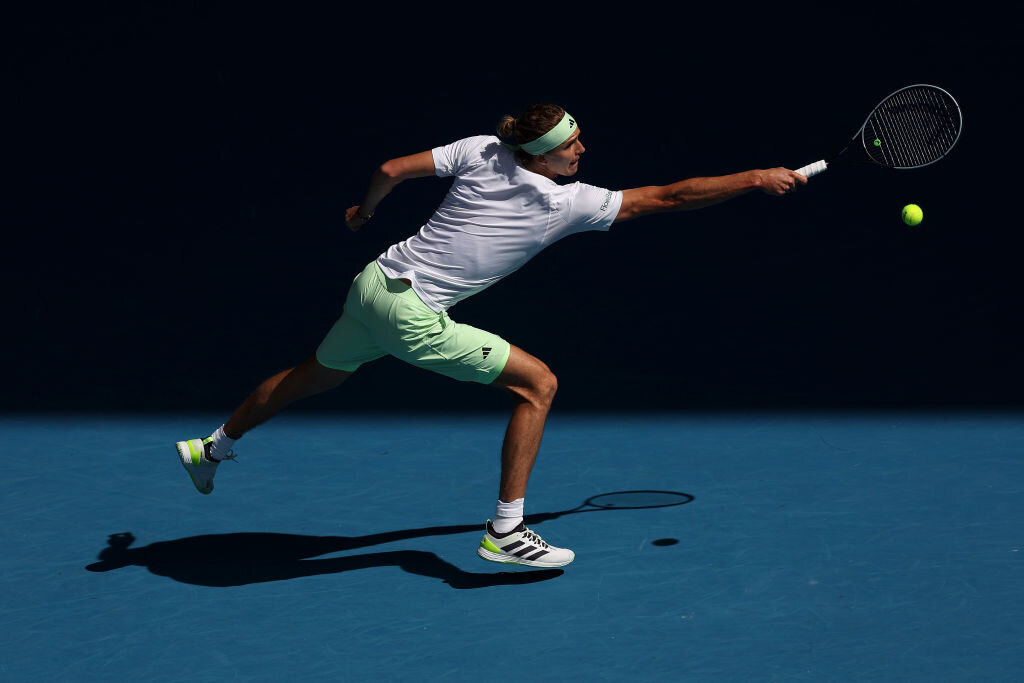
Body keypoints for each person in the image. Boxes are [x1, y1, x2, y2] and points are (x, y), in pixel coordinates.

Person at [175, 104, 805, 568]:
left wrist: (365, 211)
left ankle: (214, 447)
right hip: (413, 313)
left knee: (314, 374)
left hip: (372, 284)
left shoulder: (482, 149)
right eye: (570, 146)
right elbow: (667, 199)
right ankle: (506, 530)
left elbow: (391, 168)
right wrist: (753, 179)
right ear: (540, 155)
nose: (581, 150)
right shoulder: (565, 203)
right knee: (539, 385)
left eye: (579, 138)